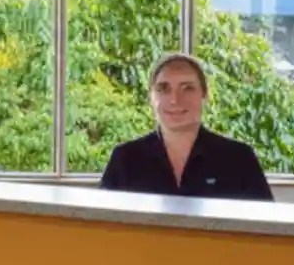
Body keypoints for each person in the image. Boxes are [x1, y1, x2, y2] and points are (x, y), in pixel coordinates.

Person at [100, 53, 274, 201]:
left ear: (204, 95)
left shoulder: (239, 159)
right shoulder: (125, 159)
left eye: (187, 88)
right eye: (163, 88)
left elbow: (265, 230)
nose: (175, 99)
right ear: (151, 97)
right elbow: (101, 230)